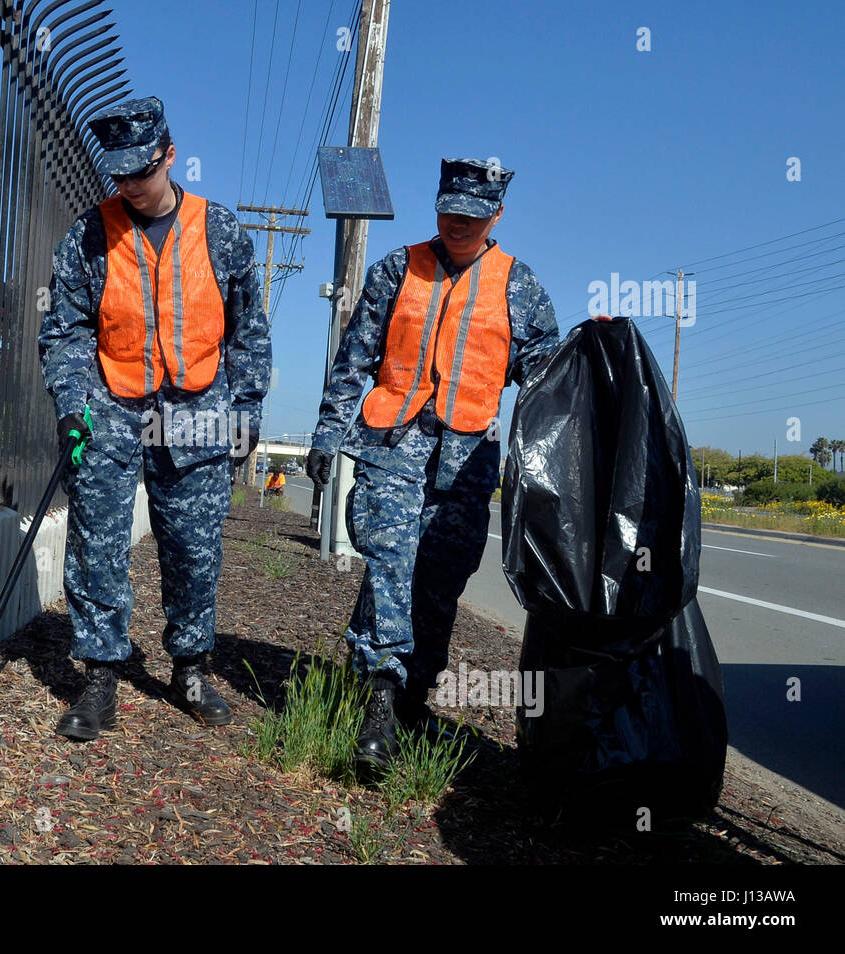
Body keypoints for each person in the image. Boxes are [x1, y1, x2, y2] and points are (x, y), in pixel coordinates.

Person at [306, 157, 560, 779]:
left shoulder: (519, 286)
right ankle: (381, 701)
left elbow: (547, 376)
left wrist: (592, 348)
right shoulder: (397, 269)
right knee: (391, 564)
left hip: (467, 464)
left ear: (497, 215)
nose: (457, 225)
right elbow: (353, 359)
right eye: (449, 212)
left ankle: (412, 699)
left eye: (471, 216)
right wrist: (327, 434)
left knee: (439, 582)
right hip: (391, 444)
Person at [38, 96, 270, 740]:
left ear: (169, 156)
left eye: (141, 171)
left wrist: (247, 408)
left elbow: (249, 330)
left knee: (194, 547)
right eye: (119, 175)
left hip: (198, 409)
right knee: (97, 542)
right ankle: (100, 675)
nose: (131, 185)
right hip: (111, 405)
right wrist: (72, 403)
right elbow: (65, 330)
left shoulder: (220, 232)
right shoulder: (88, 236)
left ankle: (190, 667)